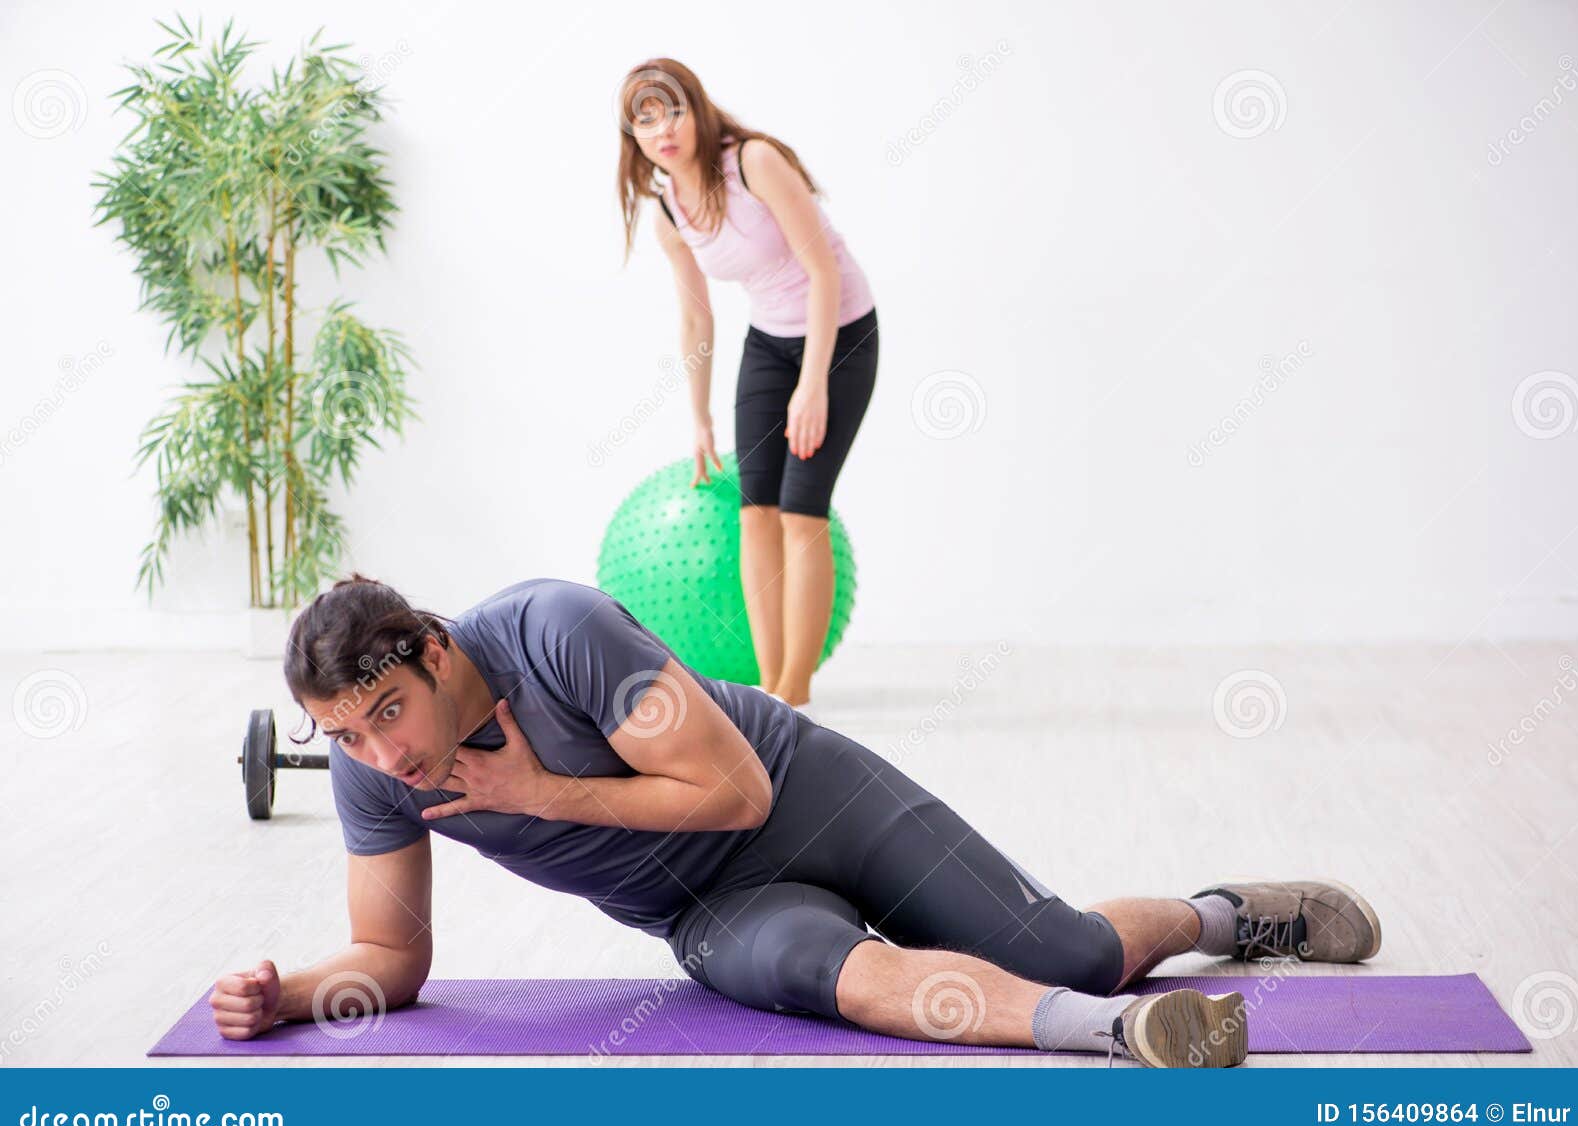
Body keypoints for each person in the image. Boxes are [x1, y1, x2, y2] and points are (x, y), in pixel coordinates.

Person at [209, 575, 1382, 1066]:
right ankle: (1124, 1035)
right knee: (839, 973)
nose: (383, 756)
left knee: (1064, 942)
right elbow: (392, 959)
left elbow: (738, 795)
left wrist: (535, 795)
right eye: (349, 738)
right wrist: (295, 993)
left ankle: (1228, 912)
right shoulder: (376, 775)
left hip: (805, 795)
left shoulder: (558, 629)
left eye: (388, 715)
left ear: (434, 648)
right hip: (712, 904)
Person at [617, 58, 878, 713]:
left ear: (698, 111)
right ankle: (772, 691)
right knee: (755, 510)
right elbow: (697, 315)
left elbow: (823, 271)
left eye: (672, 110)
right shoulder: (669, 213)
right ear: (634, 139)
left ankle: (799, 690)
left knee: (801, 512)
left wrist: (814, 383)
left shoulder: (754, 162)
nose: (663, 130)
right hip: (768, 341)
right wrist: (699, 416)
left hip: (839, 332)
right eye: (644, 120)